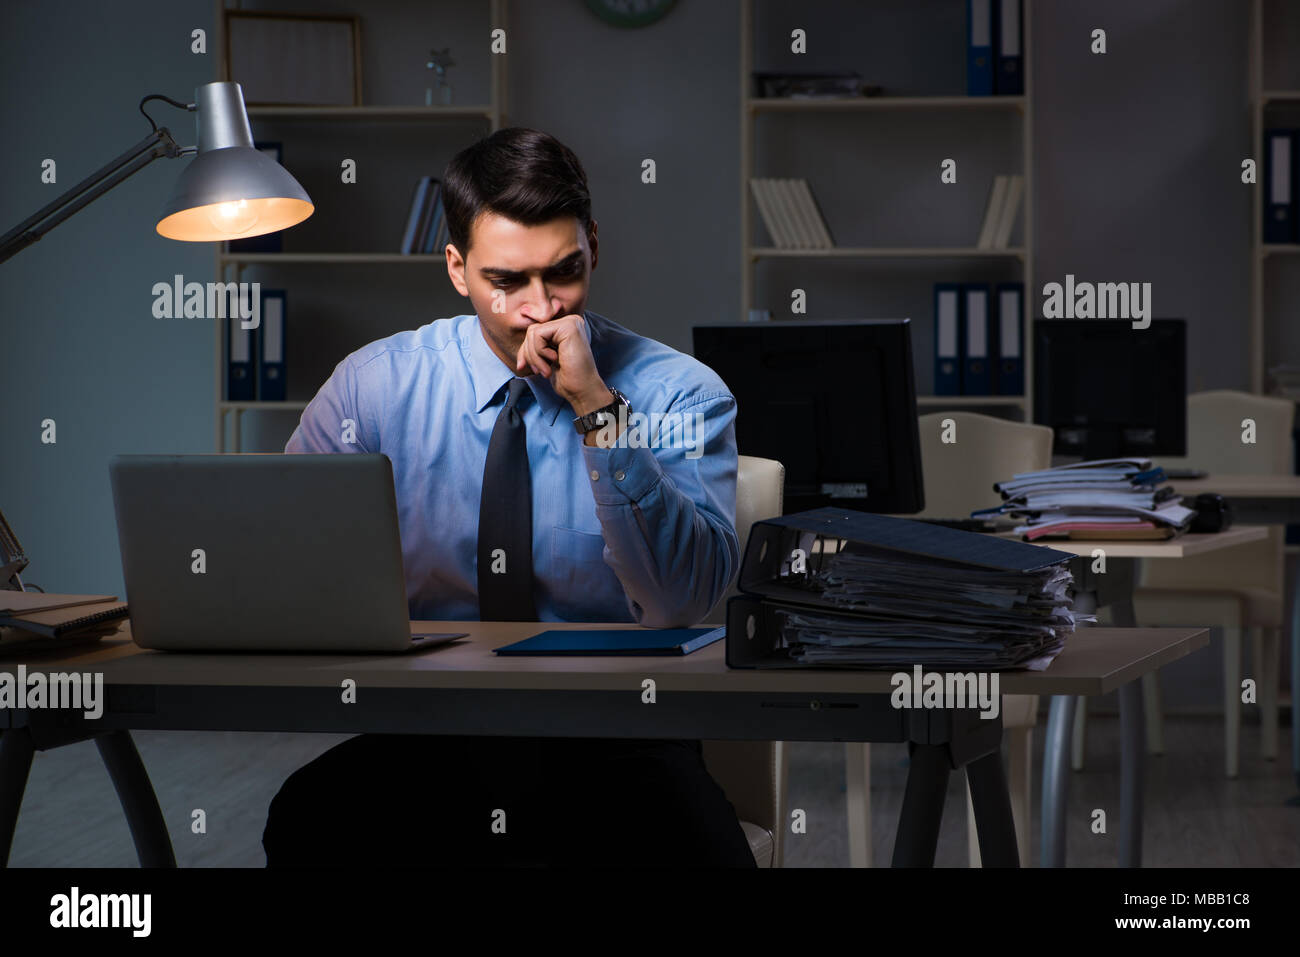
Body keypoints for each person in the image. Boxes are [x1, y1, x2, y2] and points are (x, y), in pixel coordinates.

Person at [261, 126, 756, 867]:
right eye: (507, 281)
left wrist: (597, 407)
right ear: (457, 268)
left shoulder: (682, 391)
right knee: (307, 819)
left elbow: (679, 598)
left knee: (699, 851)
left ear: (594, 244)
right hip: (432, 734)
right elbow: (284, 562)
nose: (540, 307)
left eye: (564, 271)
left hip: (617, 735)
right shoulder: (373, 387)